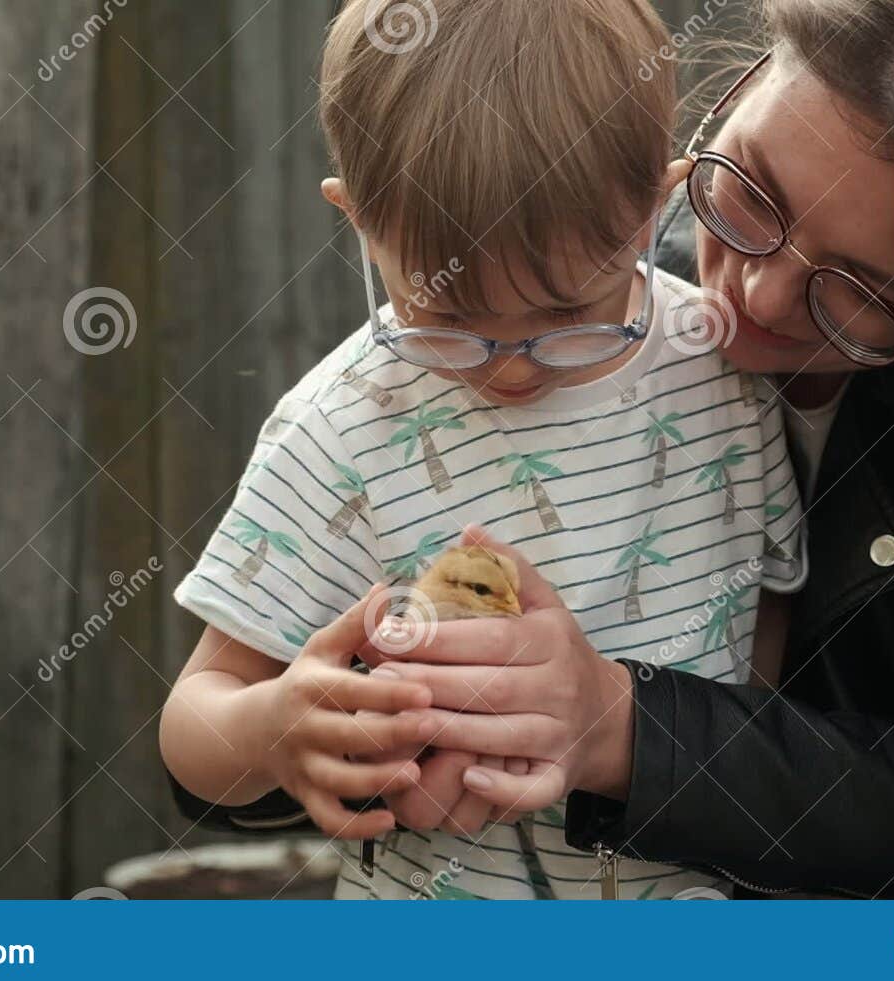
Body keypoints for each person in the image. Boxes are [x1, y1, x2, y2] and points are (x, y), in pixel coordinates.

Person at [168, 0, 894, 899]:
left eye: (862, 291)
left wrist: (625, 731)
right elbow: (219, 740)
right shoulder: (473, 326)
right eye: (750, 194)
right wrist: (343, 727)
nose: (749, 297)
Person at [157, 0, 806, 900]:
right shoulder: (345, 427)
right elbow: (197, 724)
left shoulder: (720, 366)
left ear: (654, 204)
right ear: (358, 222)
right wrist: (278, 731)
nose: (509, 371)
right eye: (450, 321)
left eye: (565, 316)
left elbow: (766, 623)